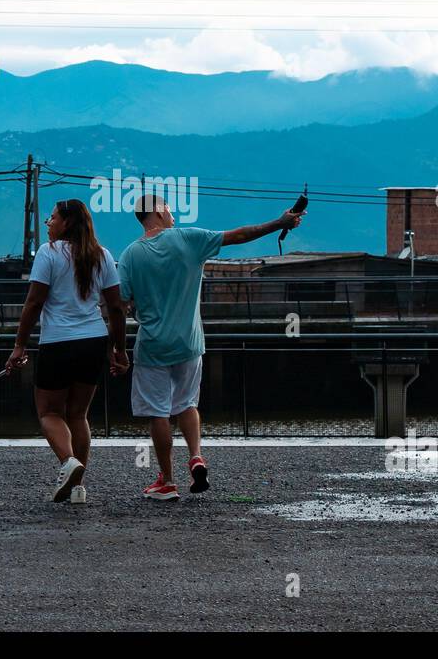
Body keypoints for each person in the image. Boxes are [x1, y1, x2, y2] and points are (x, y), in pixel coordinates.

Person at [117, 194, 305, 500]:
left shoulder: (130, 255)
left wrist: (116, 346)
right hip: (190, 343)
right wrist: (280, 223)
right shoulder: (190, 239)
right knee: (187, 404)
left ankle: (166, 480)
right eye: (168, 207)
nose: (173, 212)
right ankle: (196, 456)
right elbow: (241, 235)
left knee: (158, 413)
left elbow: (119, 304)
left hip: (153, 346)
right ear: (157, 211)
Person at [6, 200, 128, 503]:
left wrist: (19, 345)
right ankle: (77, 488)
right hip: (93, 342)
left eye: (52, 218)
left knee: (49, 412)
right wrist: (119, 347)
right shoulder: (102, 255)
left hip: (57, 342)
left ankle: (67, 462)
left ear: (67, 223)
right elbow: (116, 306)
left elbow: (34, 303)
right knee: (78, 414)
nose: (48, 223)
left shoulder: (48, 254)